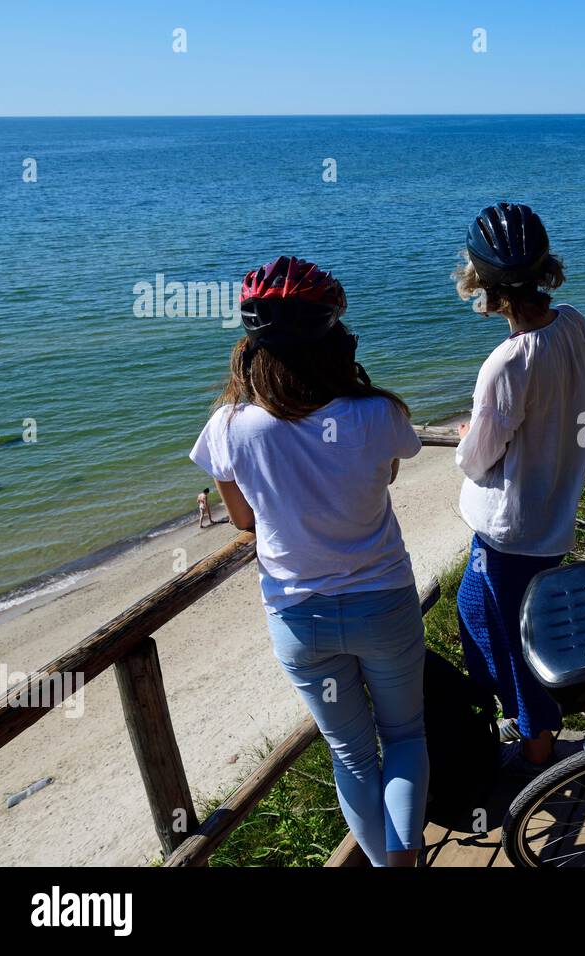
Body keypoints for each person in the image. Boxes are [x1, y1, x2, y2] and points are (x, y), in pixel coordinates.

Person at [190, 256, 428, 867]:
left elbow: (242, 520)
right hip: (383, 604)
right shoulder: (379, 413)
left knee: (350, 754)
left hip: (299, 618)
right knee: (403, 737)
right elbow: (388, 472)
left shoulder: (230, 426)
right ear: (334, 337)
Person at [452, 202, 585, 773]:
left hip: (508, 531)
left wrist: (472, 436)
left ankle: (536, 745)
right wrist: (559, 439)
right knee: (529, 631)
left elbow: (478, 460)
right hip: (554, 517)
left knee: (495, 632)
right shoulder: (572, 323)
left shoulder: (505, 362)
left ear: (485, 287)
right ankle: (535, 726)